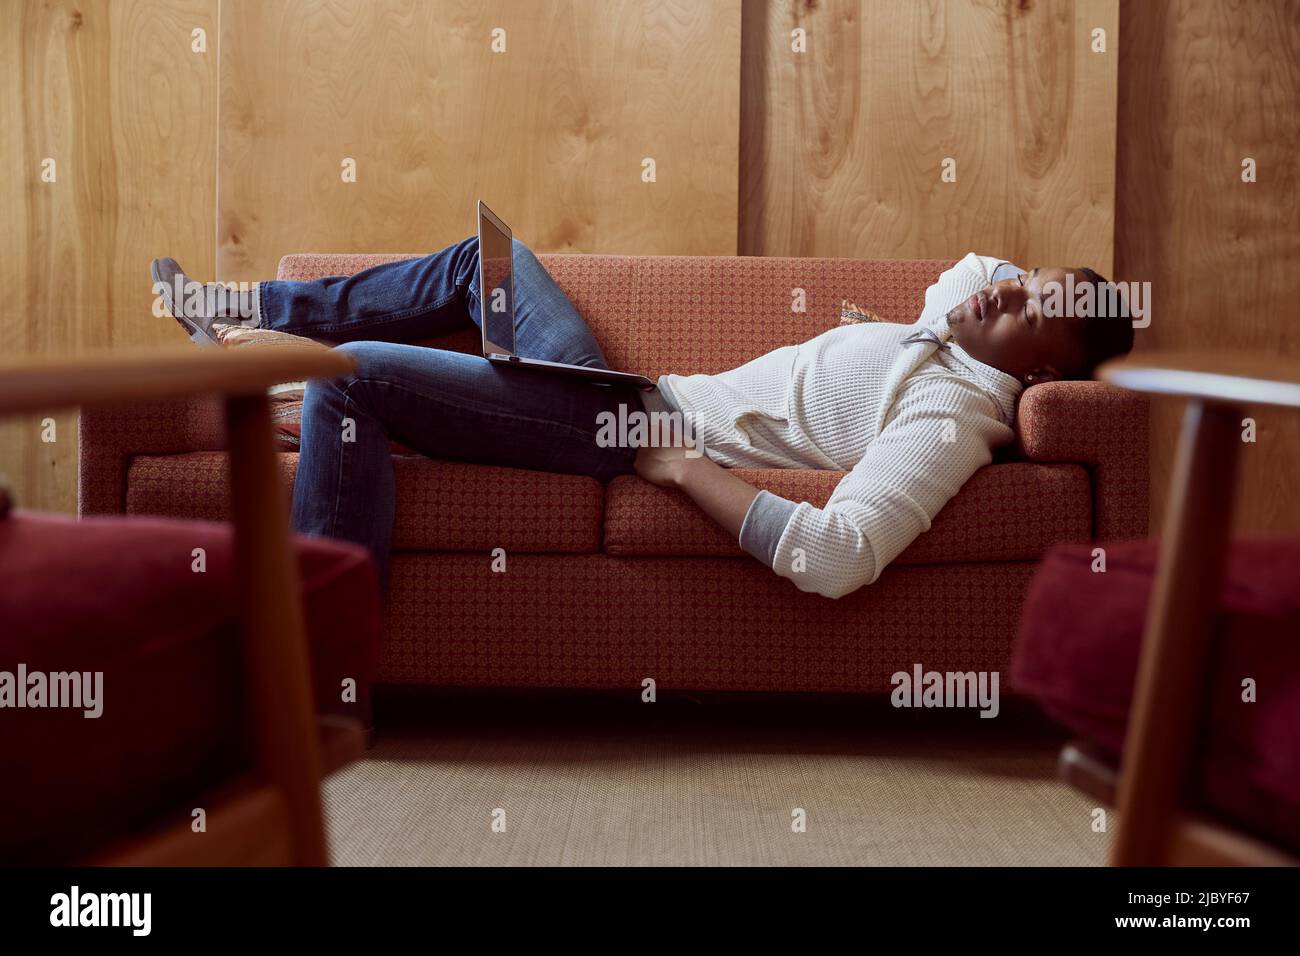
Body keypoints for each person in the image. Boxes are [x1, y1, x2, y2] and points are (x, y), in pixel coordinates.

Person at [150, 237, 1132, 599]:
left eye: (1022, 306)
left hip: (624, 432)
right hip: (622, 387)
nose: (996, 292)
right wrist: (1037, 291)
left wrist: (678, 470)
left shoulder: (950, 408)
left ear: (1041, 367)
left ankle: (314, 655)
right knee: (483, 260)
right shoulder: (952, 323)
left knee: (351, 376)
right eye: (1018, 280)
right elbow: (975, 265)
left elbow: (836, 556)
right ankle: (247, 314)